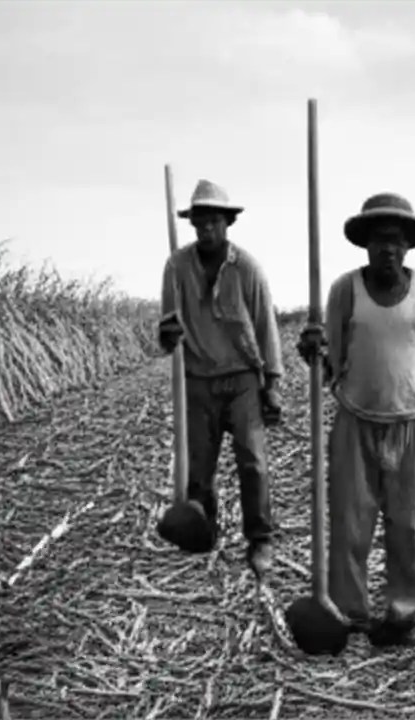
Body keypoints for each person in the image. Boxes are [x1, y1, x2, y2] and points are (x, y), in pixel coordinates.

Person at [297, 192, 415, 647]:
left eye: (396, 240)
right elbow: (330, 367)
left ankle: (410, 617)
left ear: (408, 246)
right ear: (365, 245)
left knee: (409, 525)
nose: (388, 248)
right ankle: (350, 614)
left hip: (414, 425)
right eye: (379, 240)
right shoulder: (345, 290)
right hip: (355, 422)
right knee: (350, 521)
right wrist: (314, 350)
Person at [157, 179, 283, 575]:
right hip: (198, 378)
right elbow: (166, 325)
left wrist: (272, 385)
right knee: (199, 465)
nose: (206, 229)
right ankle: (201, 531)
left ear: (227, 223)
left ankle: (260, 539)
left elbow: (266, 326)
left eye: (213, 221)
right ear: (193, 224)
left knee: (253, 460)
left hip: (242, 377)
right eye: (200, 222)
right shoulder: (177, 266)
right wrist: (168, 334)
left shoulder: (246, 268)